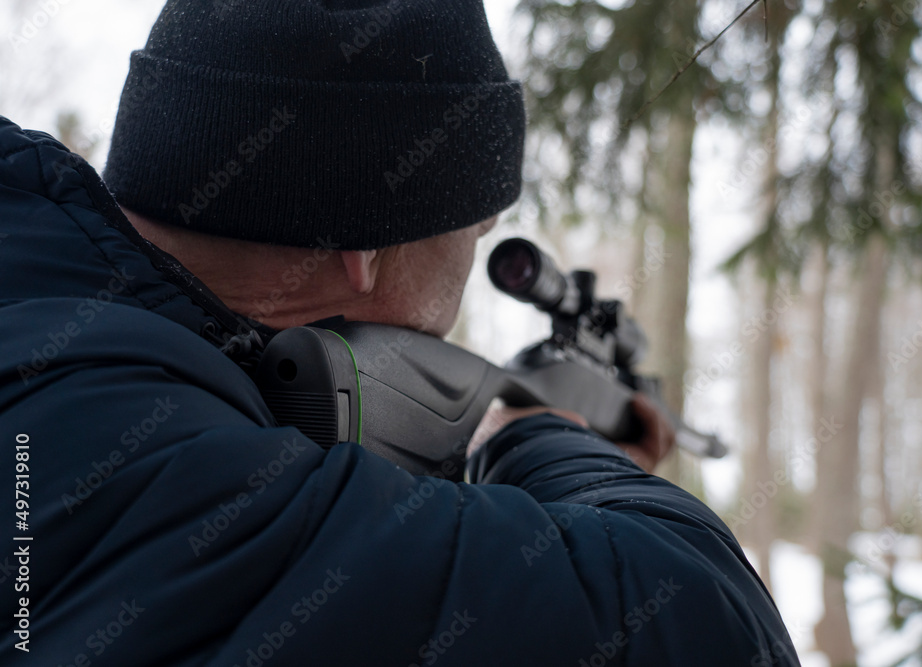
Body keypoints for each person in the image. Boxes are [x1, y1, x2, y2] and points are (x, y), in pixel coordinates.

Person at [0, 0, 801, 664]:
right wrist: (539, 439)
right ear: (365, 246)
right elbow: (715, 622)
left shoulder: (60, 327)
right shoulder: (177, 483)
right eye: (475, 231)